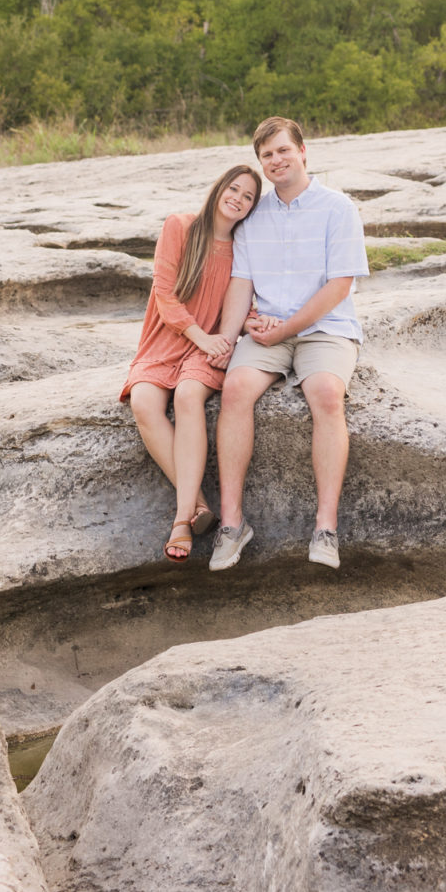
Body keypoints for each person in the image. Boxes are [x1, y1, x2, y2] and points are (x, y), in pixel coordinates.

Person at [208, 116, 368, 572]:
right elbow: (241, 282)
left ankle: (325, 527)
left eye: (282, 150)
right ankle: (232, 524)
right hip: (267, 330)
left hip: (326, 327)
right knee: (235, 389)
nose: (276, 160)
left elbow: (340, 285)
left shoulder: (337, 208)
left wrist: (287, 328)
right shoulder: (252, 216)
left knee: (326, 394)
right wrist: (229, 334)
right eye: (266, 155)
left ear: (303, 151)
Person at [121, 164, 261, 562]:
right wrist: (199, 335)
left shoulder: (243, 248)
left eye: (248, 197)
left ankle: (182, 520)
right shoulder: (180, 226)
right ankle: (199, 503)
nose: (238, 199)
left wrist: (246, 326)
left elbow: (242, 303)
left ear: (253, 207)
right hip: (169, 337)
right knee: (144, 402)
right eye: (233, 189)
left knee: (187, 396)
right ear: (219, 188)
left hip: (210, 346)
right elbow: (165, 296)